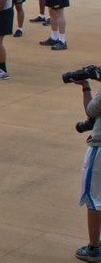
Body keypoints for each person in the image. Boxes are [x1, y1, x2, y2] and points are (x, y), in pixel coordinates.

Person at [70, 73, 101, 262]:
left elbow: (90, 110)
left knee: (94, 199)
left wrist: (86, 87)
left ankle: (93, 248)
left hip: (99, 150)